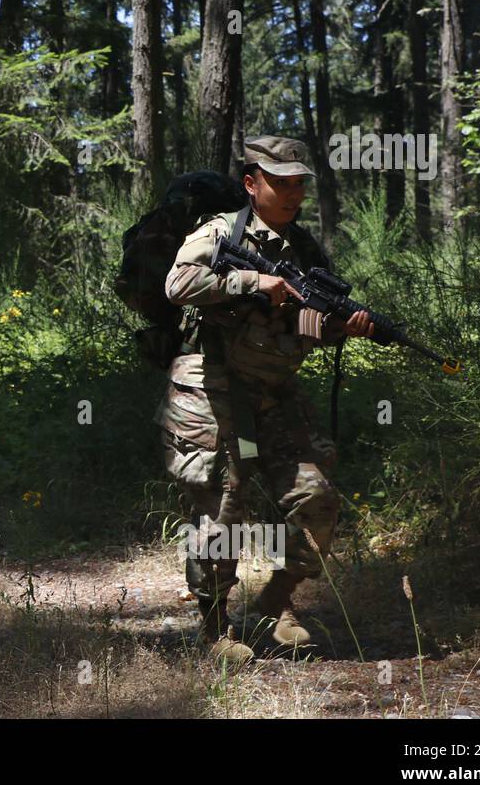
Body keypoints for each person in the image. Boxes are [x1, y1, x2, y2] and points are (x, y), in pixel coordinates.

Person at [155, 136, 374, 664]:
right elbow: (176, 285)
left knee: (316, 497)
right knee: (221, 509)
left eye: (300, 183)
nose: (293, 192)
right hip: (210, 386)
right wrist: (253, 279)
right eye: (281, 182)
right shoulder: (218, 233)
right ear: (252, 184)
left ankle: (274, 604)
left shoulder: (303, 250)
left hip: (273, 389)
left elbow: (300, 324)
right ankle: (215, 632)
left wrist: (344, 326)